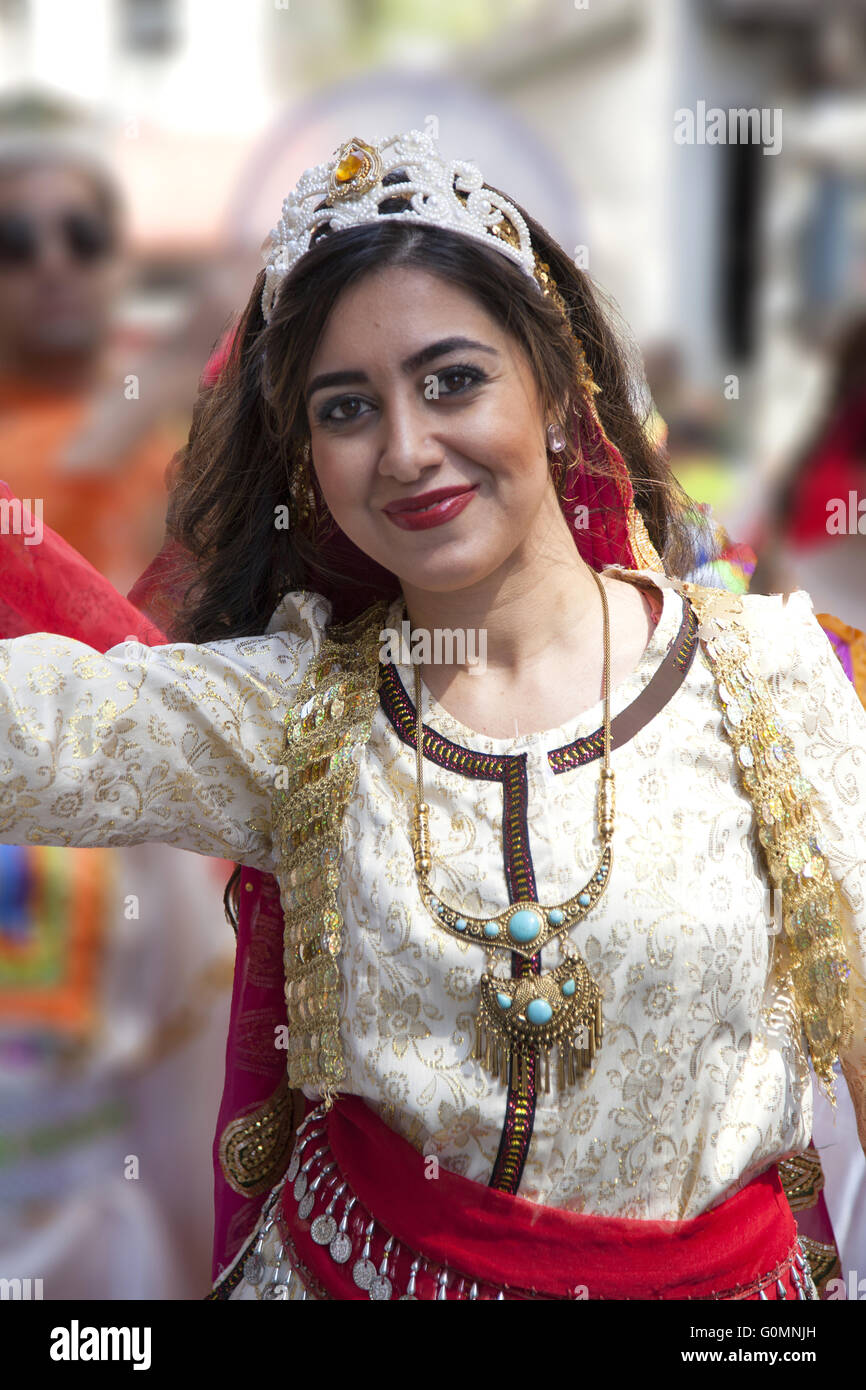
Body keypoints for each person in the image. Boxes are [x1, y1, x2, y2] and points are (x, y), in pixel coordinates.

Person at [1, 128, 865, 1302]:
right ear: (307, 458)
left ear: (557, 392)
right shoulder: (295, 709)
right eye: (346, 409)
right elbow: (40, 726)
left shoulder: (766, 669)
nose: (407, 450)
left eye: (452, 379)